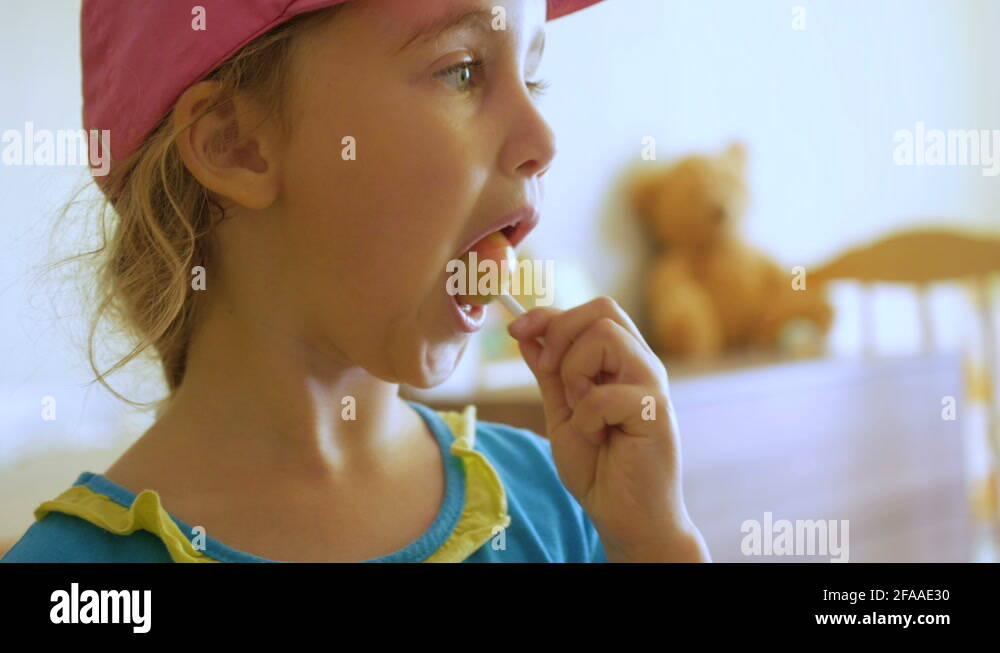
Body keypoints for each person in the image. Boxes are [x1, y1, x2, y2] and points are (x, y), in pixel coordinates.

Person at [2, 0, 710, 563]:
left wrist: (654, 546)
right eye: (463, 70)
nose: (544, 140)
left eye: (533, 77)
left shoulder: (558, 505)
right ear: (236, 144)